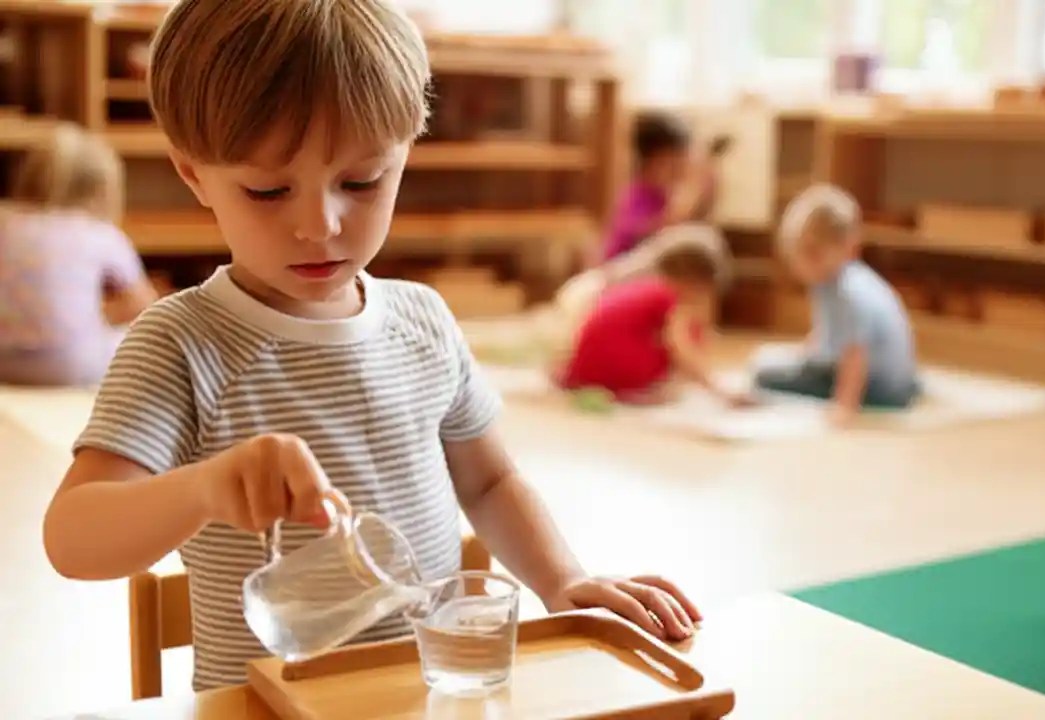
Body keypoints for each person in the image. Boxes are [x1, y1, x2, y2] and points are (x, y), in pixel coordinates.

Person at [41, 0, 699, 691]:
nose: (320, 225)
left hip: (428, 697)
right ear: (193, 174)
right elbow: (72, 539)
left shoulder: (424, 322)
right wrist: (202, 490)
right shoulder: (182, 344)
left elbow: (490, 480)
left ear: (405, 153)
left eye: (361, 181)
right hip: (270, 707)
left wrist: (564, 581)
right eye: (268, 191)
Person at [0, 123, 156, 386]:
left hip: (4, 362)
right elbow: (142, 305)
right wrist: (97, 313)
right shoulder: (99, 232)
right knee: (147, 339)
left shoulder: (6, 221)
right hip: (72, 365)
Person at [754, 184, 919, 425]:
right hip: (901, 384)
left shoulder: (847, 292)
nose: (803, 263)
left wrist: (844, 405)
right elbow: (826, 334)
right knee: (774, 358)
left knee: (764, 375)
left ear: (848, 248)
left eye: (813, 253)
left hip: (877, 388)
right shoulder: (839, 279)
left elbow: (855, 353)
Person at [557, 227, 748, 406]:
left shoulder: (644, 286)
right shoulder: (675, 297)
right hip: (618, 367)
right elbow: (679, 346)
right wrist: (718, 389)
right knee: (683, 349)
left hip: (585, 370)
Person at [598, 112, 715, 263]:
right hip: (621, 272)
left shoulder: (664, 195)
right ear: (650, 161)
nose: (678, 170)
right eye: (672, 163)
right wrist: (680, 210)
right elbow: (646, 239)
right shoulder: (636, 197)